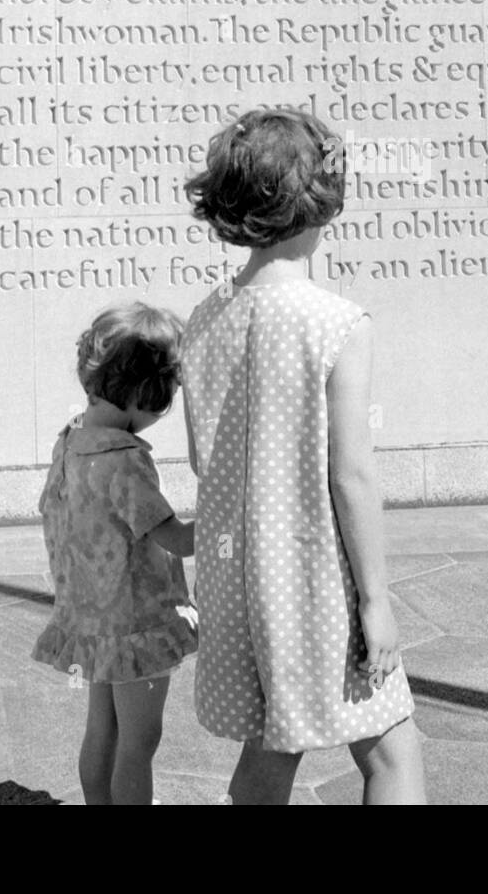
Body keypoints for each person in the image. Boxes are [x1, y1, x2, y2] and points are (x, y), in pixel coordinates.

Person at [181, 107, 427, 805]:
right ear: (323, 200)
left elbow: (206, 461)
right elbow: (351, 477)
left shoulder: (204, 316)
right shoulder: (337, 322)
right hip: (318, 581)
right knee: (392, 753)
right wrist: (376, 599)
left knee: (271, 748)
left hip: (237, 583)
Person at [33, 302, 198, 805]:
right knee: (140, 742)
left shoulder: (72, 441)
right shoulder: (124, 460)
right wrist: (228, 518)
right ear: (145, 395)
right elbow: (172, 538)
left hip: (91, 619)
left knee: (101, 731)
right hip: (136, 624)